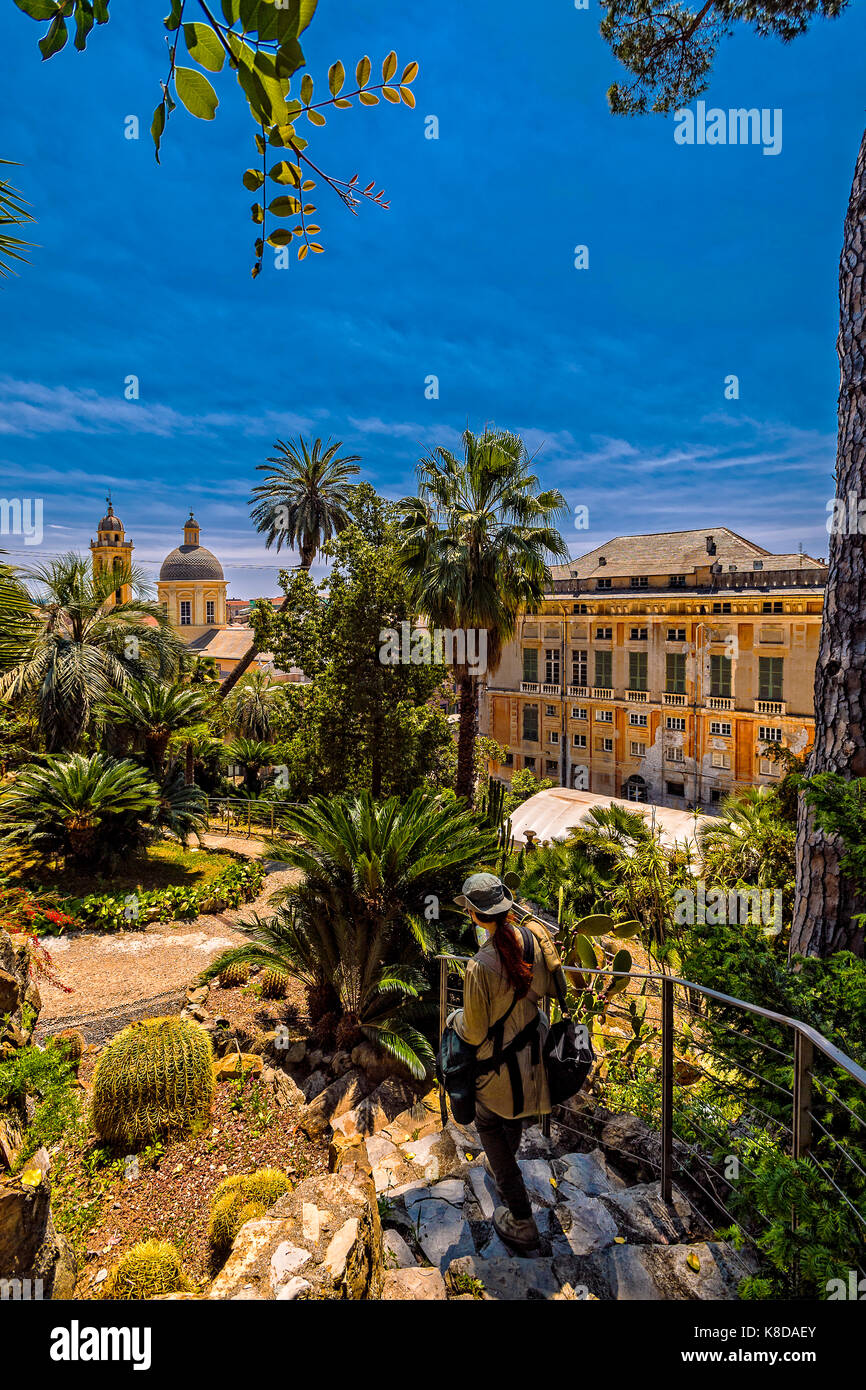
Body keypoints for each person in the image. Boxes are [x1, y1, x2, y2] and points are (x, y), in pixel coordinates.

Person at [448, 871, 563, 1250]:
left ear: (475, 915)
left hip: (497, 1073)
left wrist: (453, 1019)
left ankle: (521, 1218)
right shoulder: (530, 941)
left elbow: (475, 1031)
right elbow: (546, 989)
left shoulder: (480, 965)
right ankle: (503, 1173)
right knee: (511, 1122)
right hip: (532, 1062)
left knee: (488, 1124)